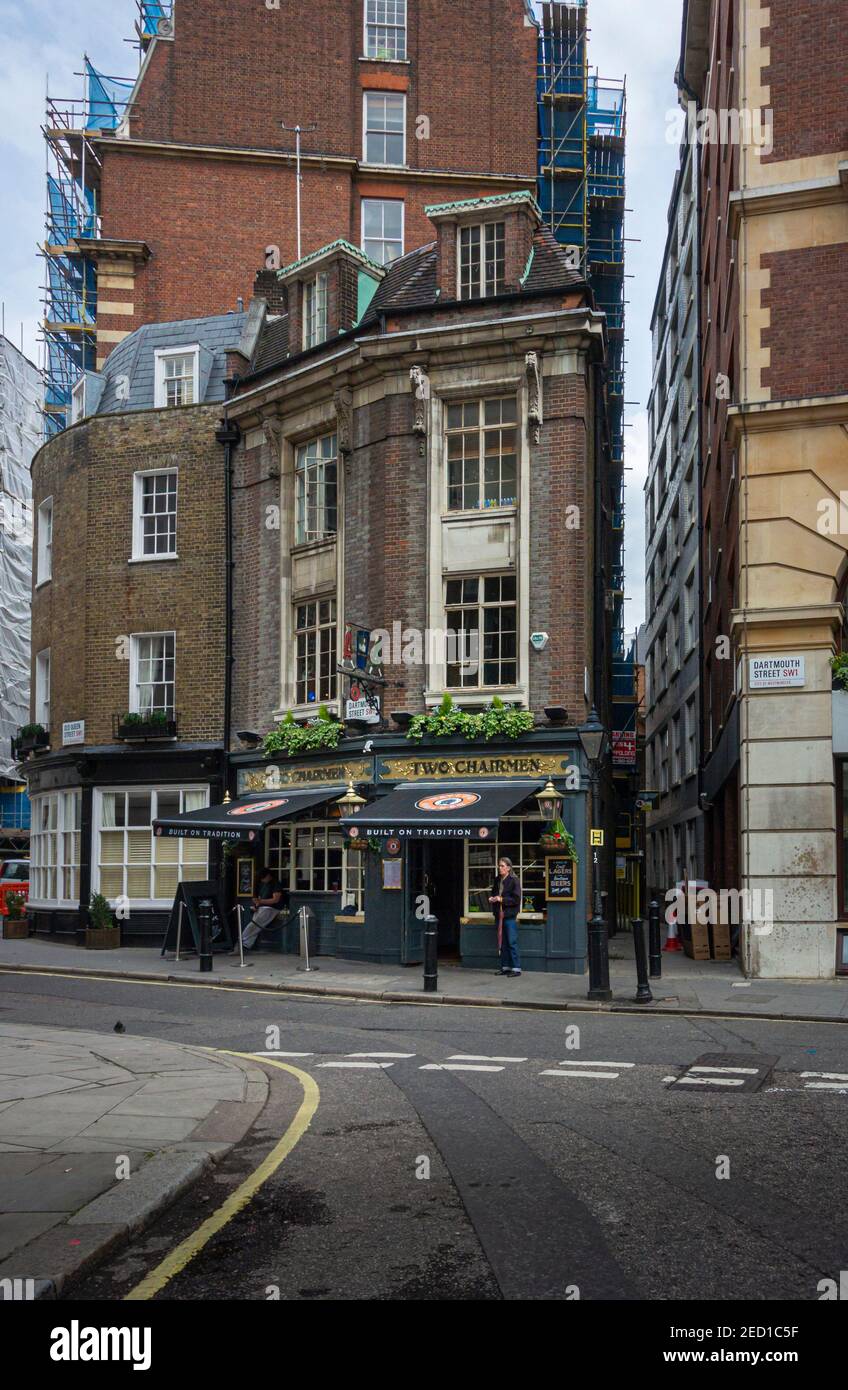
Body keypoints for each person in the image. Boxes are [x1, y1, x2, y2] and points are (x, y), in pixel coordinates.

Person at [241, 867, 287, 951]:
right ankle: (246, 944)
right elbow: (259, 897)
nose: (262, 880)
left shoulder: (276, 884)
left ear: (268, 876)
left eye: (263, 878)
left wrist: (260, 901)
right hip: (262, 907)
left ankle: (242, 941)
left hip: (272, 908)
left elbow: (275, 900)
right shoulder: (262, 884)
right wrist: (256, 904)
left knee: (255, 924)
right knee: (255, 924)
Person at [490, 856, 522, 977]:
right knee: (501, 942)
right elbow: (494, 892)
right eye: (499, 865)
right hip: (499, 914)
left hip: (509, 915)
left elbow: (516, 899)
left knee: (511, 941)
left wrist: (501, 899)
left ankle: (516, 968)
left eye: (502, 866)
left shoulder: (514, 880)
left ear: (508, 868)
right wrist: (493, 898)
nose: (500, 868)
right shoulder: (497, 879)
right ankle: (505, 967)